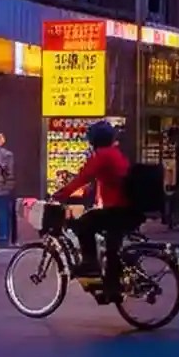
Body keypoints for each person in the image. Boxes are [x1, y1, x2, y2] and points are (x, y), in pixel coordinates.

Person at [52, 120, 134, 302]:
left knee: (84, 224)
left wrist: (60, 194)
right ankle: (110, 286)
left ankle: (91, 265)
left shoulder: (102, 156)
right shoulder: (113, 153)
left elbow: (83, 177)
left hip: (119, 209)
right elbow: (100, 178)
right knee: (111, 246)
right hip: (125, 208)